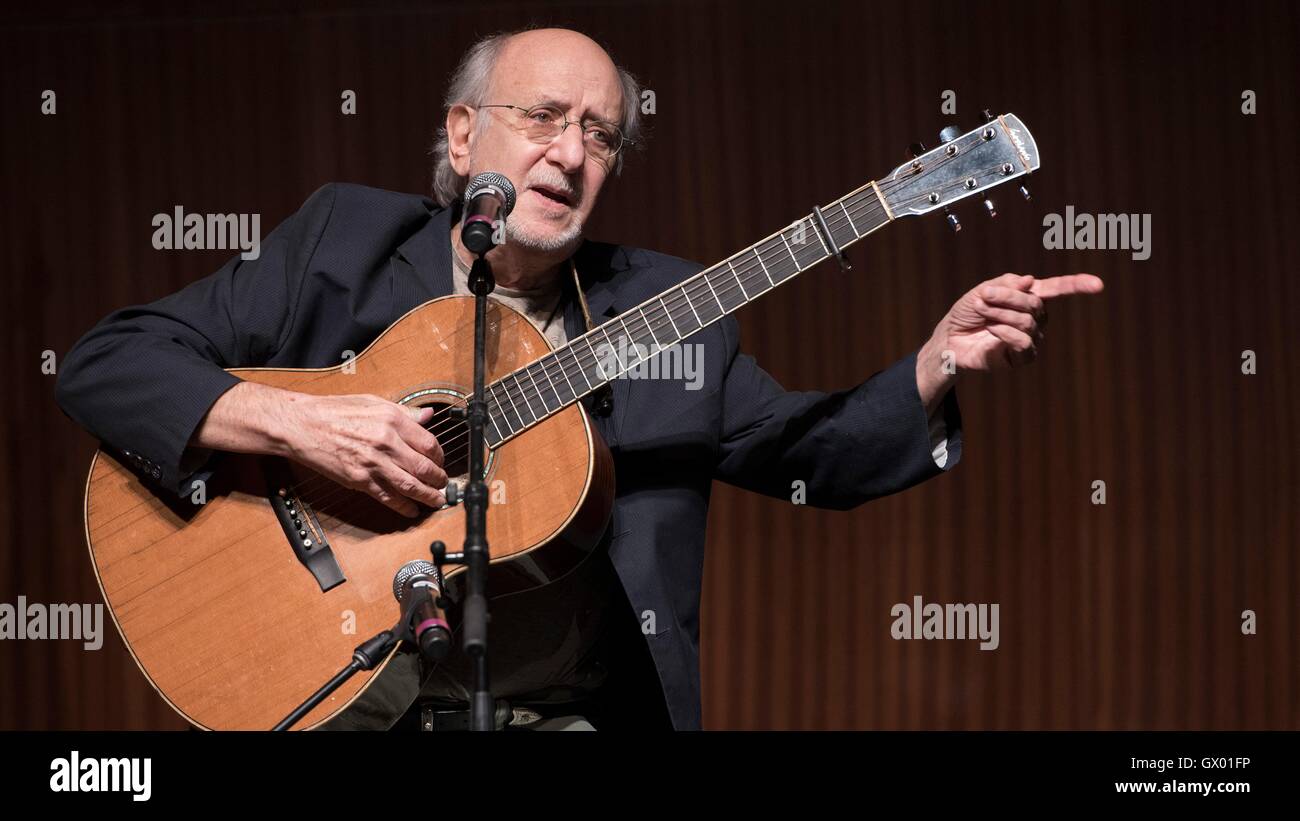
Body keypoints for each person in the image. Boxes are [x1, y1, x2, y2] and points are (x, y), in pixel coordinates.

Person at [55, 27, 1103, 731]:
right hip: (356, 707)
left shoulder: (666, 304)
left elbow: (805, 452)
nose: (572, 151)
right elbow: (109, 361)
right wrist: (299, 428)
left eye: (601, 132)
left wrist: (932, 362)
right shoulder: (347, 240)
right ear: (465, 136)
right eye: (544, 117)